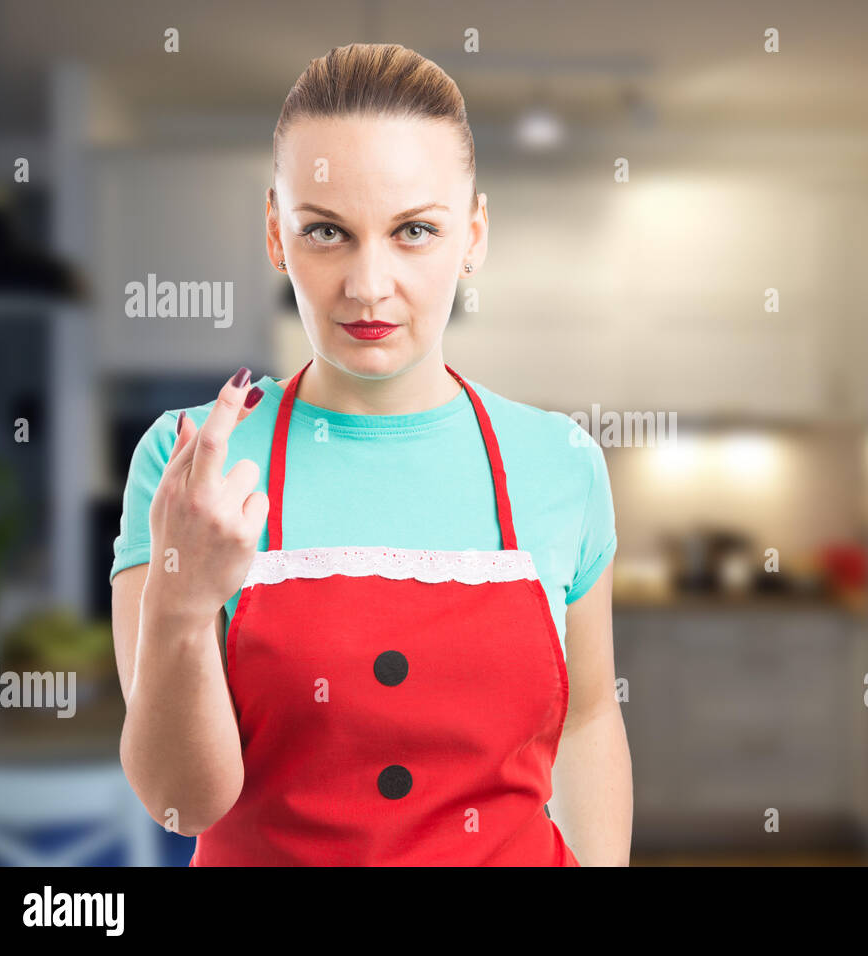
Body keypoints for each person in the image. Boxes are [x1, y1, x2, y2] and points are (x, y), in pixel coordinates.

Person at [109, 43, 632, 866]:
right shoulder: (187, 465)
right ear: (277, 237)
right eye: (327, 231)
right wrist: (179, 605)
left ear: (474, 236)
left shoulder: (559, 462)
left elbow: (591, 719)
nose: (368, 284)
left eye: (414, 231)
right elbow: (182, 803)